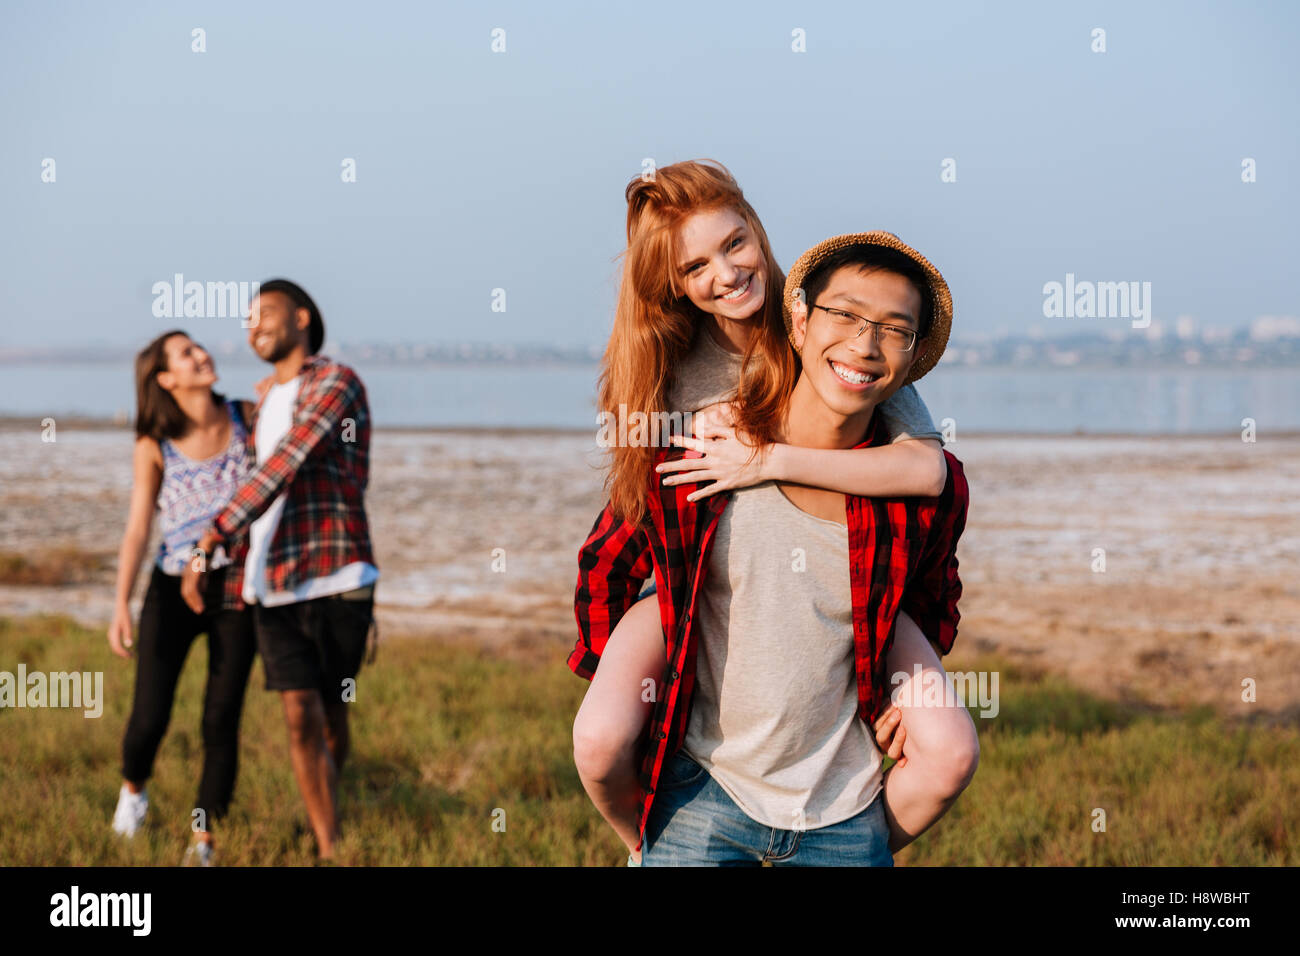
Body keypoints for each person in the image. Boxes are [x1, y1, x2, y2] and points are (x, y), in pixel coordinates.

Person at [570, 161, 974, 864]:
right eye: (696, 265)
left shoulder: (829, 329)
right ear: (673, 285)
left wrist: (769, 460)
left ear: (755, 226)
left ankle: (846, 838)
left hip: (833, 566)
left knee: (947, 745)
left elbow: (927, 469)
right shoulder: (670, 378)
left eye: (733, 243)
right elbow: (627, 525)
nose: (726, 274)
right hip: (705, 574)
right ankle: (648, 844)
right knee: (602, 734)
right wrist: (640, 675)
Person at [181, 279, 378, 862]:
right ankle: (329, 845)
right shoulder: (266, 398)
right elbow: (246, 467)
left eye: (263, 313)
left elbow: (287, 461)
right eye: (247, 319)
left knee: (332, 716)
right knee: (298, 715)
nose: (253, 326)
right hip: (272, 582)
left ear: (300, 317)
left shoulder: (336, 382)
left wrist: (213, 534)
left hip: (337, 574)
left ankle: (328, 801)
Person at [109, 330, 257, 866]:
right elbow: (137, 528)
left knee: (220, 719)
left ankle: (204, 840)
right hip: (171, 588)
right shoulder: (153, 441)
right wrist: (120, 602)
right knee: (149, 715)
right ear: (166, 379)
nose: (203, 355)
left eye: (199, 347)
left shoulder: (246, 416)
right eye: (187, 354)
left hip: (237, 590)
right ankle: (133, 792)